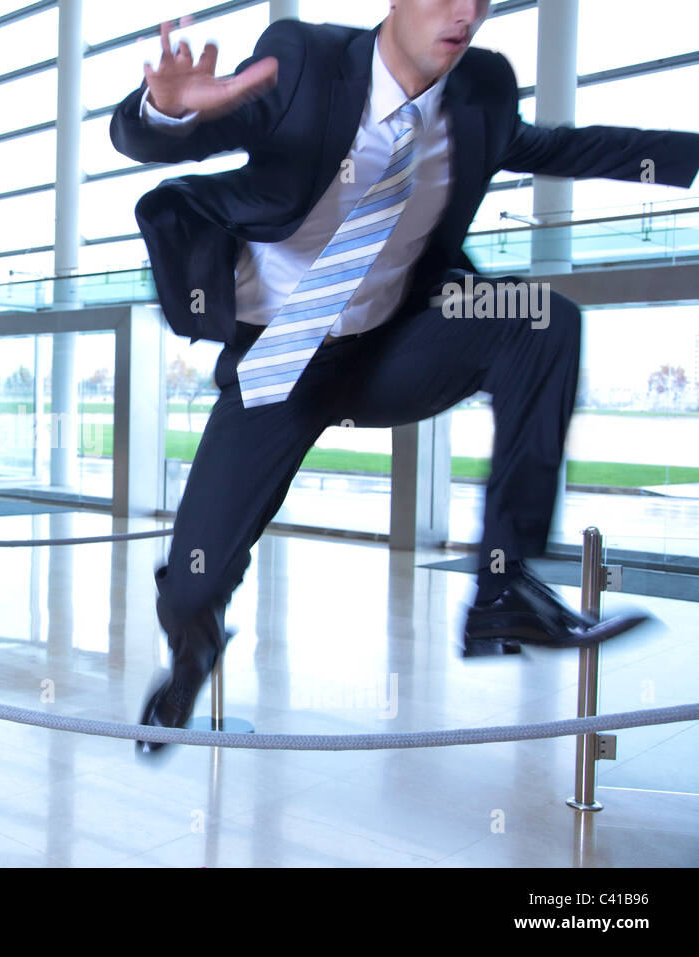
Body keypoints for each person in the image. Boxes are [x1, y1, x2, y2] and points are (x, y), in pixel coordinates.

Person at [110, 0, 699, 754]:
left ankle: (503, 585)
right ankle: (192, 653)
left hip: (392, 349)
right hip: (280, 358)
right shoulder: (303, 65)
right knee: (193, 582)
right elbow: (172, 133)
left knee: (542, 320)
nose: (465, 13)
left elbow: (568, 147)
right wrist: (163, 107)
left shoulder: (481, 88)